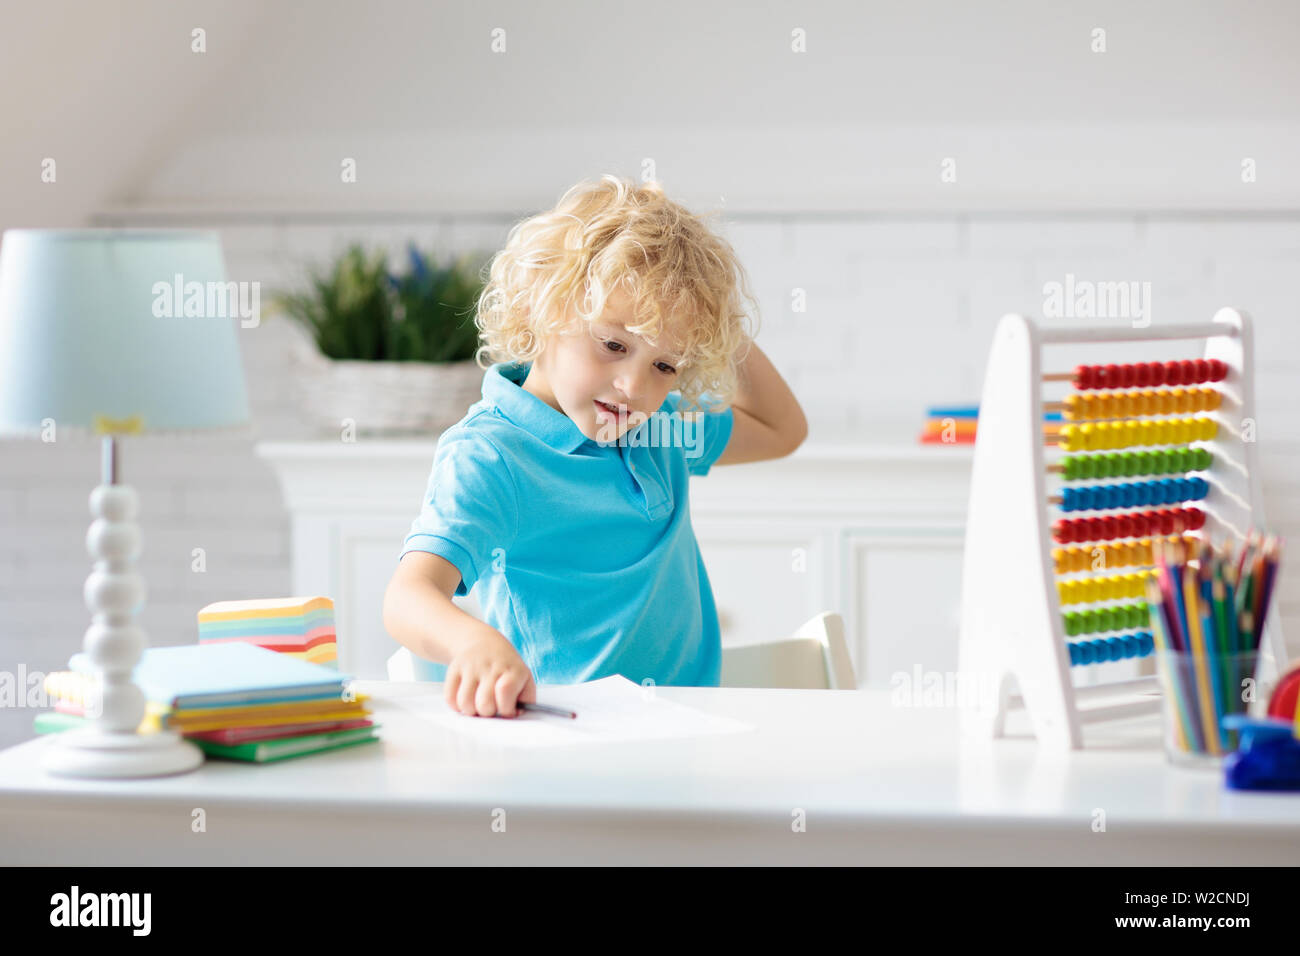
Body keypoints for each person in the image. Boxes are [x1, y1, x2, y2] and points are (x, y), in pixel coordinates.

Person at [383, 175, 807, 717]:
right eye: (612, 344)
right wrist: (471, 643)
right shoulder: (492, 455)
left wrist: (707, 312)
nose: (634, 386)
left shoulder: (659, 429)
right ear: (544, 307)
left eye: (665, 365)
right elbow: (407, 596)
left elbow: (782, 429)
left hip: (687, 739)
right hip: (566, 746)